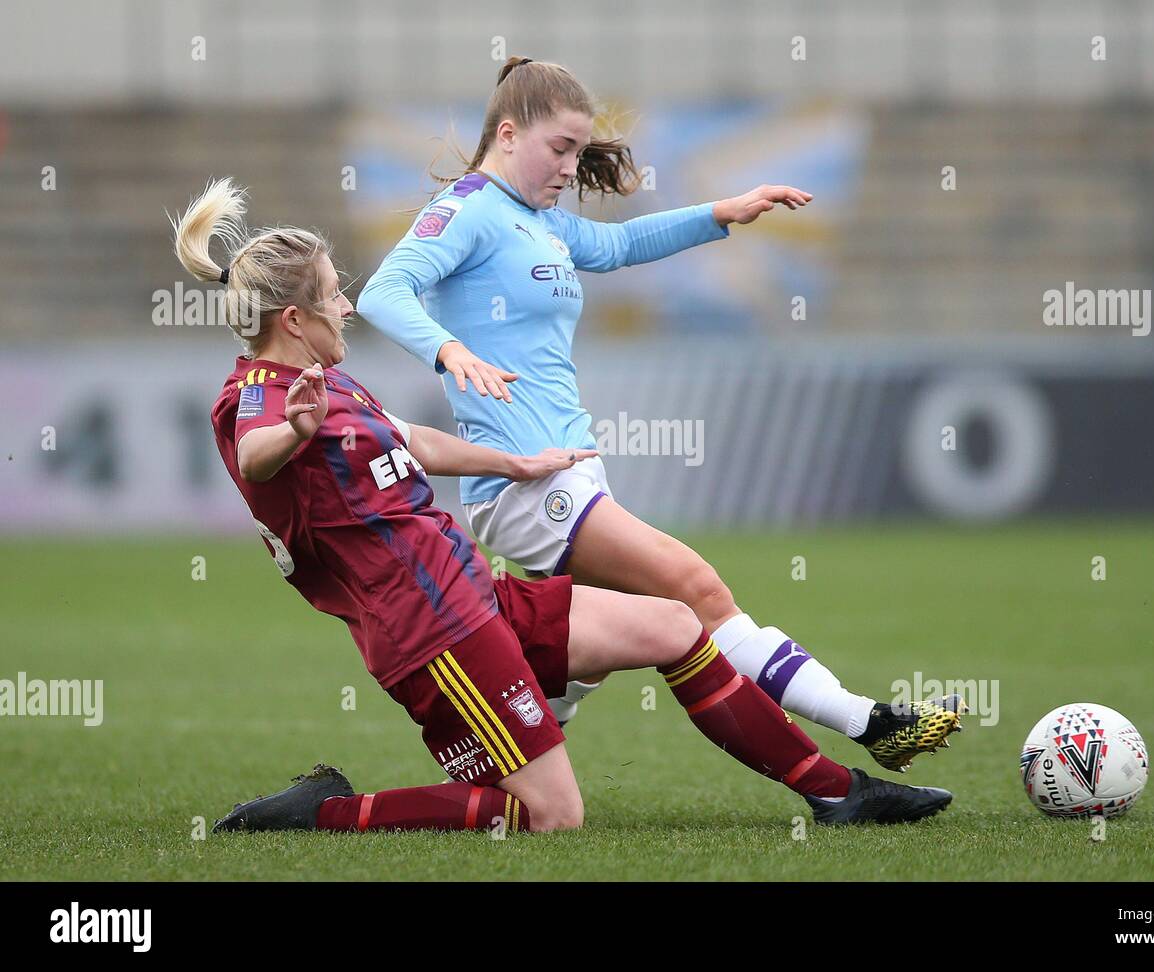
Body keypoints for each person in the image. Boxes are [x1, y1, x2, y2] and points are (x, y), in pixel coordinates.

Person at [175, 178, 953, 833]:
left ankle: (836, 793)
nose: (347, 306)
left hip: (472, 595)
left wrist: (514, 462)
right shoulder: (256, 398)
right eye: (334, 294)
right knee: (550, 816)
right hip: (432, 638)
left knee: (675, 623)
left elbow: (410, 438)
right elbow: (253, 454)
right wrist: (292, 432)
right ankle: (325, 813)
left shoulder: (329, 380)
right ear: (293, 320)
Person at [356, 56, 966, 768]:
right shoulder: (465, 211)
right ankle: (870, 724)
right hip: (526, 481)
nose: (569, 166)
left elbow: (617, 245)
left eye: (579, 152)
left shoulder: (538, 221)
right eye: (560, 149)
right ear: (511, 132)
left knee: (599, 646)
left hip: (572, 470)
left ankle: (497, 757)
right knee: (695, 590)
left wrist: (720, 214)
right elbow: (383, 293)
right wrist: (449, 351)